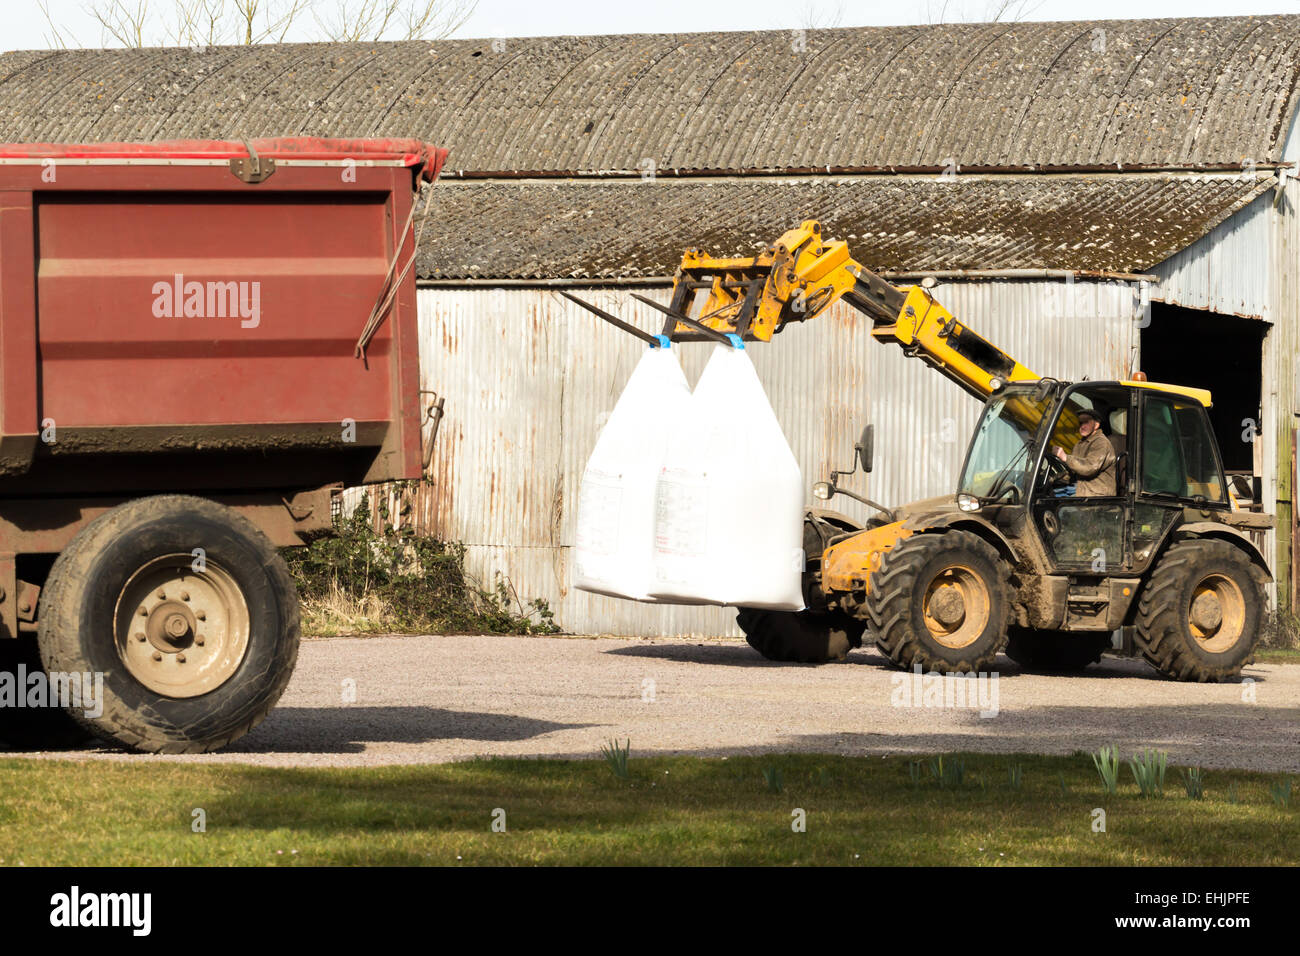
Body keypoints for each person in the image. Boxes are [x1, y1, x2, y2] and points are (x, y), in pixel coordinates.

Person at [1051, 408, 1117, 497]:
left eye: (1086, 422)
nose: (1082, 426)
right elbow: (1073, 471)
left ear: (1096, 425)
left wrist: (1065, 457)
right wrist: (1053, 479)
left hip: (1096, 496)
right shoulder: (1080, 444)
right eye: (1081, 423)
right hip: (1082, 490)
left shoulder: (1101, 443)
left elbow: (1089, 467)